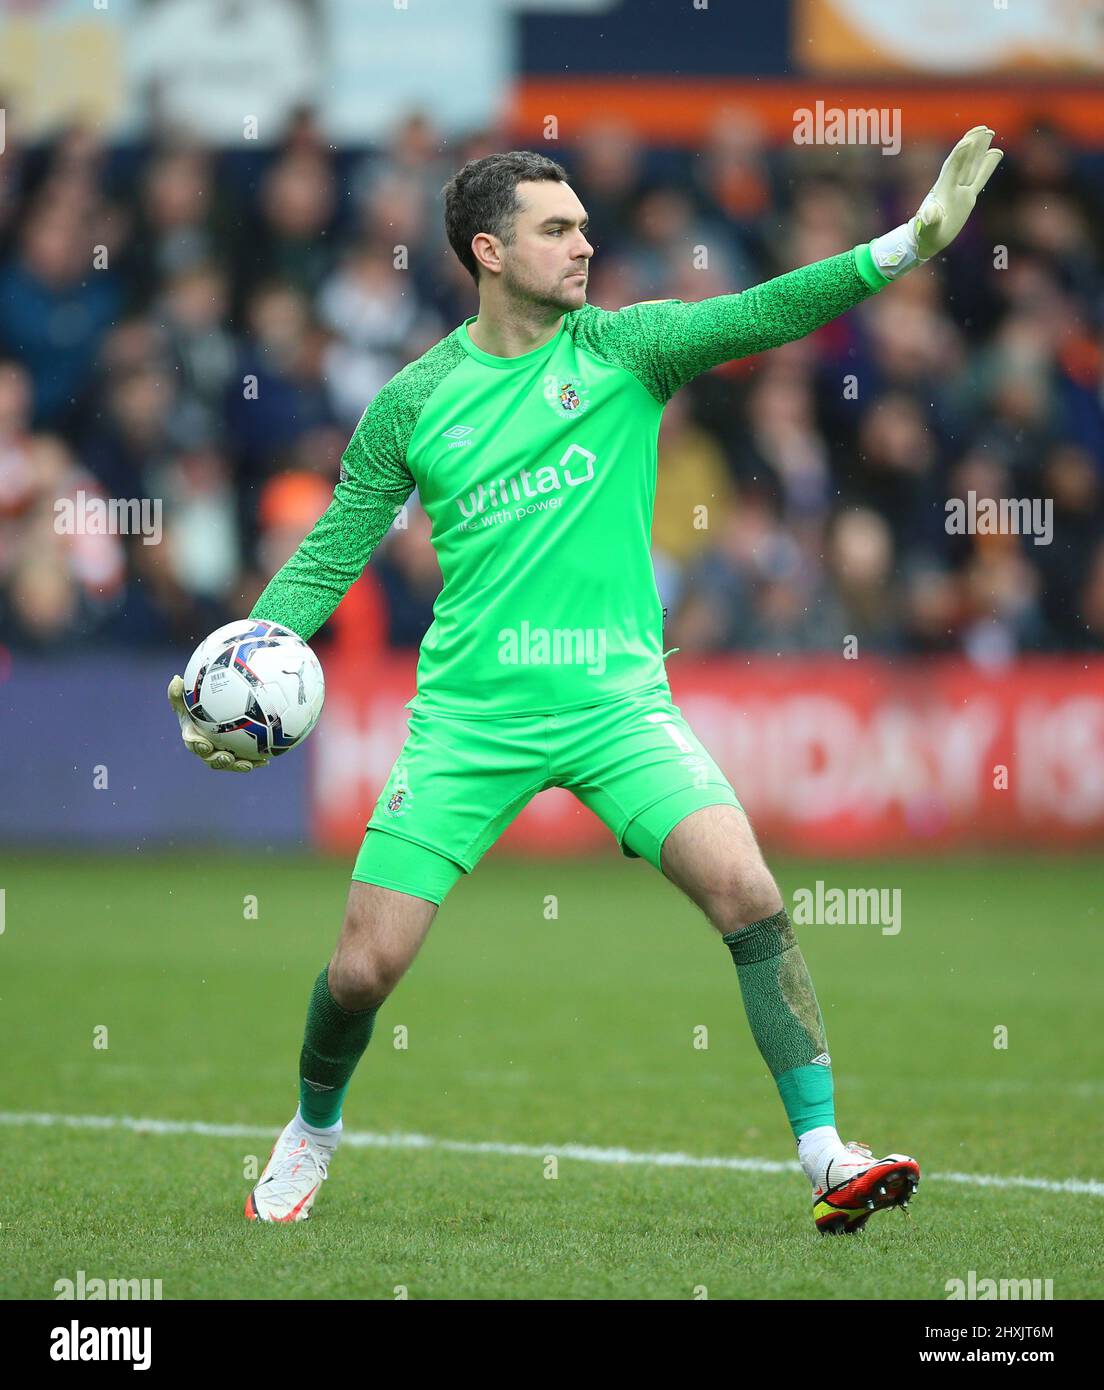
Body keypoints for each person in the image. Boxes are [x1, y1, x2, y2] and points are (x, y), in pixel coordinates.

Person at [168, 129, 1002, 1233]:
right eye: (557, 228)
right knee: (366, 969)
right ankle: (311, 1129)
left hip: (620, 706)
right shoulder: (413, 403)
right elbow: (332, 552)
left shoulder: (627, 349)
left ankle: (824, 1151)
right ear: (489, 250)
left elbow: (762, 311)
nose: (584, 242)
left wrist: (909, 243)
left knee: (750, 895)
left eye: (583, 224)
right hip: (472, 718)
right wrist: (236, 661)